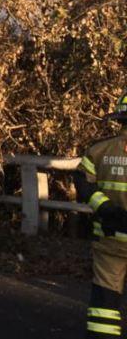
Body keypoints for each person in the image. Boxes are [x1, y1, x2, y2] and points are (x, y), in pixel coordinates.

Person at [77, 91, 127, 337]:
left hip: (110, 236)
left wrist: (105, 208)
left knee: (105, 301)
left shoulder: (100, 150)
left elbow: (83, 183)